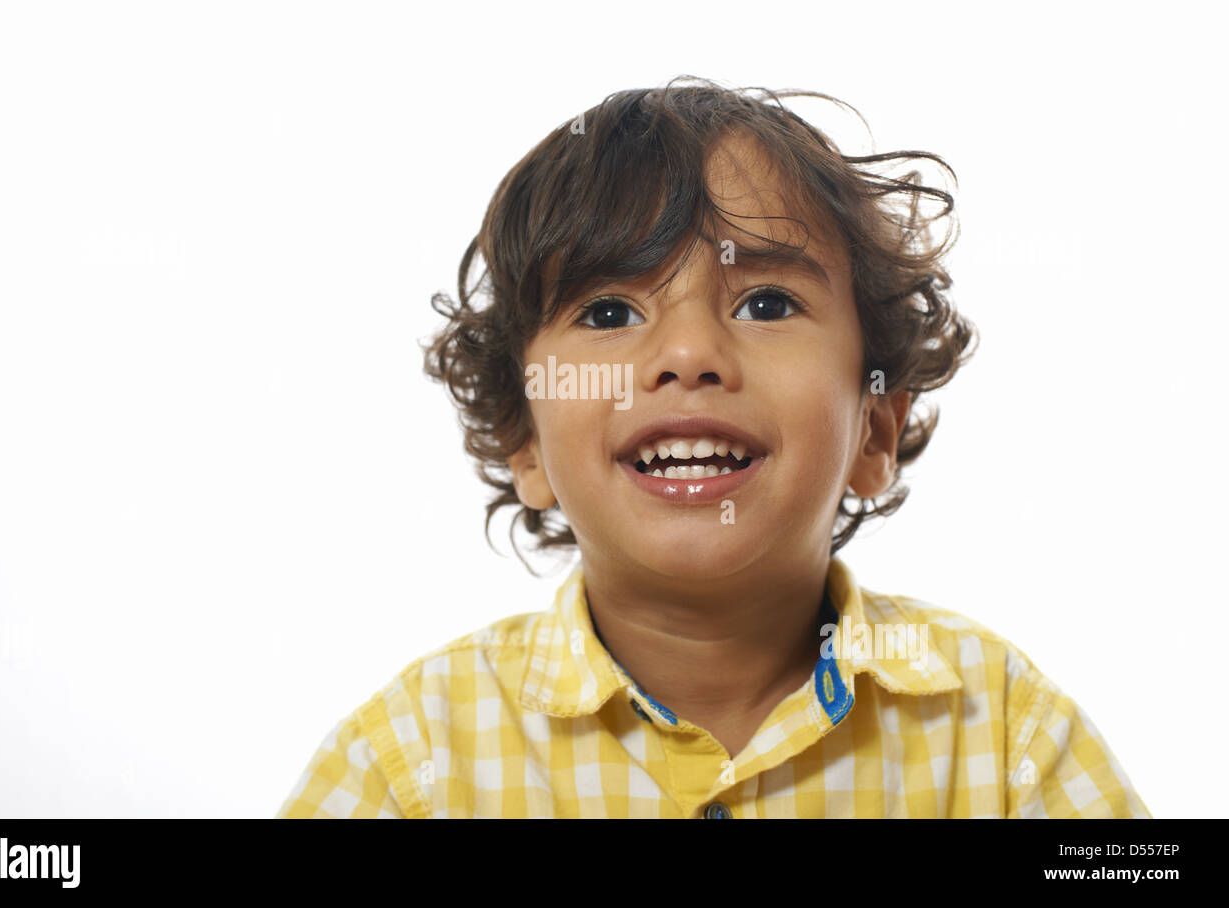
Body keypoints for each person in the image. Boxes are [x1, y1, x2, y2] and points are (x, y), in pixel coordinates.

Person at [275, 77, 1150, 818]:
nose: (689, 356)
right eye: (609, 313)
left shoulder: (1003, 738)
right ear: (524, 437)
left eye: (766, 304)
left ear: (874, 429)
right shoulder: (412, 764)